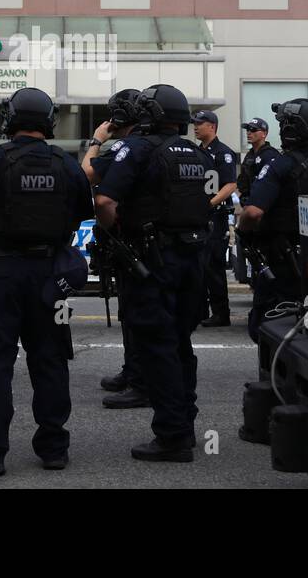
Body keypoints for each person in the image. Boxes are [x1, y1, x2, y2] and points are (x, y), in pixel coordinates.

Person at [0, 87, 94, 477]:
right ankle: (53, 448)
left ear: (9, 119)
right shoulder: (66, 164)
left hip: (1, 275)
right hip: (50, 277)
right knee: (51, 360)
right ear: (49, 121)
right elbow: (83, 214)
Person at [94, 84, 214, 463]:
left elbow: (104, 199)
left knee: (157, 348)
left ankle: (172, 436)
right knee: (181, 345)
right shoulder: (195, 152)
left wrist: (114, 233)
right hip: (192, 260)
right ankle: (185, 427)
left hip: (152, 261)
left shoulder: (139, 148)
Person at [236, 99, 308, 343]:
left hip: (283, 261)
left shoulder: (280, 165)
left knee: (266, 324)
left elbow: (253, 212)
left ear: (290, 130)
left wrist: (242, 230)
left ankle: (273, 376)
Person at [81, 88, 148, 409]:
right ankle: (133, 371)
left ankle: (140, 380)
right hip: (158, 245)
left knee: (136, 314)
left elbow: (87, 173)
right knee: (135, 313)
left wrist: (96, 139)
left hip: (135, 243)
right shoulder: (157, 144)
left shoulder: (126, 147)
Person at [191, 111, 238, 327]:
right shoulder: (194, 152)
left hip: (215, 216)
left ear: (212, 126)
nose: (196, 127)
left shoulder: (223, 153)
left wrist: (209, 203)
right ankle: (199, 310)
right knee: (197, 265)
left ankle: (221, 313)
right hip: (195, 216)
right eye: (195, 123)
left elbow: (230, 184)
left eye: (200, 124)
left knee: (213, 265)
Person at [235, 118, 281, 284]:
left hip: (264, 215)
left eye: (253, 130)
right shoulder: (249, 156)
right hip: (250, 209)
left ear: (264, 133)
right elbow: (242, 182)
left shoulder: (270, 155)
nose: (249, 133)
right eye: (248, 129)